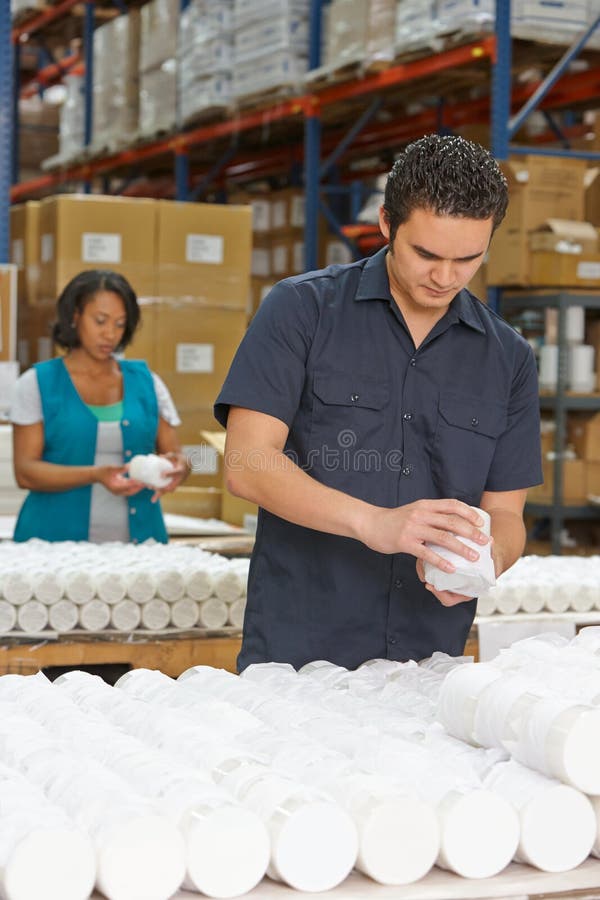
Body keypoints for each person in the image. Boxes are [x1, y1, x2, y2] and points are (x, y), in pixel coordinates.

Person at [215, 134, 543, 671]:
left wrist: (487, 559)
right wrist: (375, 523)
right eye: (426, 254)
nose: (444, 277)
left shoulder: (507, 356)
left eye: (468, 259)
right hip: (298, 657)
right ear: (387, 224)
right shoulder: (301, 311)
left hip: (429, 661)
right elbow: (248, 465)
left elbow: (505, 511)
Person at [11, 269, 189, 543]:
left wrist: (182, 466)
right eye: (100, 321)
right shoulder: (37, 383)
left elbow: (176, 453)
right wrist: (96, 474)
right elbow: (26, 472)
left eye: (120, 324)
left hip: (140, 548)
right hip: (51, 546)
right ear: (74, 317)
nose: (110, 334)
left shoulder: (148, 383)